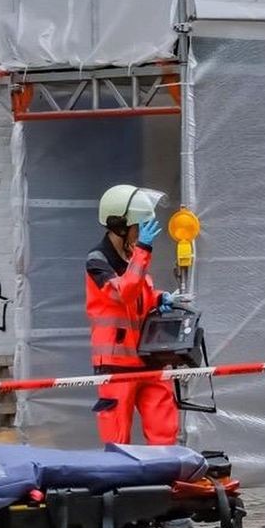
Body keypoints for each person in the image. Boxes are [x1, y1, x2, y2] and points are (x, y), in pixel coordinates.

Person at [86, 184, 182, 447]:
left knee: (165, 429)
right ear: (120, 226)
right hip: (117, 364)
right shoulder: (97, 262)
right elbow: (122, 293)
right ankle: (119, 485)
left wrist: (159, 298)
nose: (143, 233)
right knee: (118, 440)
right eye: (139, 225)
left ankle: (167, 479)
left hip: (149, 358)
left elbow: (140, 294)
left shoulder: (133, 258)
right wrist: (142, 252)